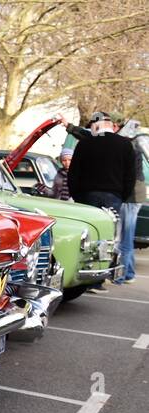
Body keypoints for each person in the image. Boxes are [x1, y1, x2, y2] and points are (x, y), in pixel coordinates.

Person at [68, 112, 139, 284]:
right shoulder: (124, 144)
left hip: (86, 195)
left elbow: (73, 172)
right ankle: (100, 278)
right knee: (108, 239)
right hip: (113, 195)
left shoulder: (85, 144)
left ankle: (84, 275)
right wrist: (122, 194)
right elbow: (131, 175)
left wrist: (76, 195)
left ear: (96, 124)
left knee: (86, 238)